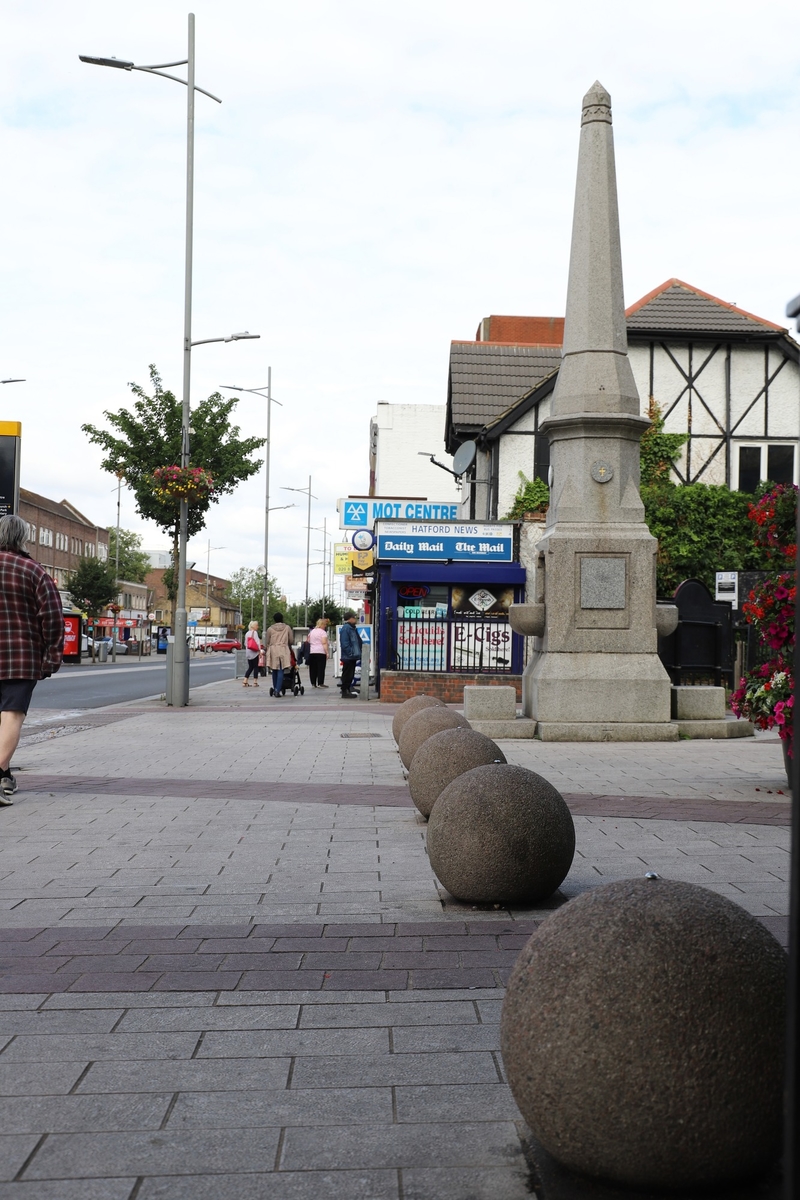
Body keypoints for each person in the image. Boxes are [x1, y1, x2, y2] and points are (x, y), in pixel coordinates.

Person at [0, 514, 64, 803]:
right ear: (22, 538)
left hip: (19, 657)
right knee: (12, 715)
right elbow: (52, 617)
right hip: (20, 657)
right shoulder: (33, 571)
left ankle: (4, 777)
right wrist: (51, 656)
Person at [264, 612, 293, 697]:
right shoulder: (287, 628)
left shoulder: (270, 629)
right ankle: (277, 690)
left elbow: (267, 641)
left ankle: (275, 688)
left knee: (274, 670)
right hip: (283, 649)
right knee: (281, 669)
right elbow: (291, 640)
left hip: (273, 650)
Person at [338, 612, 362, 699]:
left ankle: (347, 689)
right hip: (348, 656)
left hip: (352, 656)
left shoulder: (352, 628)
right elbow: (345, 644)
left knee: (350, 674)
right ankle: (344, 691)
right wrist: (351, 653)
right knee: (347, 674)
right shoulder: (346, 629)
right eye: (354, 617)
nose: (355, 619)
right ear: (350, 618)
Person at [307, 618, 330, 688]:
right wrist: (327, 652)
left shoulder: (312, 631)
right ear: (322, 624)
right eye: (325, 624)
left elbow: (308, 640)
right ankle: (320, 683)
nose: (325, 626)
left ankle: (313, 683)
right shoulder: (323, 632)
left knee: (313, 668)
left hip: (312, 651)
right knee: (321, 668)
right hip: (321, 652)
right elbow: (324, 642)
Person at [242, 619, 261, 688]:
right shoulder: (255, 633)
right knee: (256, 667)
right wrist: (259, 651)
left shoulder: (247, 633)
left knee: (250, 667)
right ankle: (255, 682)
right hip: (254, 652)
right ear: (253, 626)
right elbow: (257, 642)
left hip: (248, 652)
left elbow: (245, 643)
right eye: (257, 625)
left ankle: (245, 680)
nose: (257, 627)